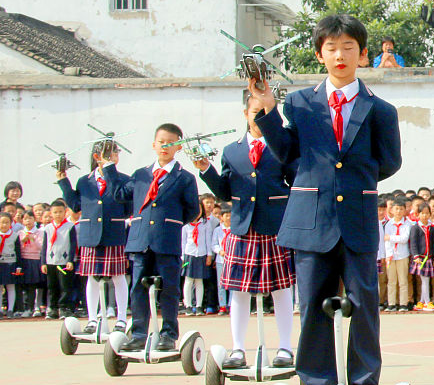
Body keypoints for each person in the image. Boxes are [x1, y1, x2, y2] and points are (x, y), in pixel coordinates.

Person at [250, 13, 403, 385]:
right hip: (310, 220)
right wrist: (266, 113)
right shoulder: (299, 103)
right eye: (332, 48)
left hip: (357, 219)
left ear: (363, 54)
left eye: (348, 47)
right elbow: (287, 153)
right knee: (314, 302)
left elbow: (389, 162)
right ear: (320, 54)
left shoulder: (380, 109)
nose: (340, 55)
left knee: (364, 303)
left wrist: (351, 180)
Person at [196, 92, 298, 370]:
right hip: (242, 228)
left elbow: (296, 180)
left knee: (281, 289)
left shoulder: (282, 147)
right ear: (245, 114)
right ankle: (238, 348)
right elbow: (225, 191)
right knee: (238, 291)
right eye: (256, 113)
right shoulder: (232, 150)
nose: (260, 119)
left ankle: (286, 348)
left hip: (275, 226)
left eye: (266, 113)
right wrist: (206, 169)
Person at [109, 123, 202, 353]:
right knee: (138, 287)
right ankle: (139, 333)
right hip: (140, 241)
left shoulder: (185, 178)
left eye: (171, 142)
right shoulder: (141, 175)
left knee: (169, 288)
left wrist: (172, 222)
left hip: (167, 240)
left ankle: (168, 334)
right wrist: (110, 168)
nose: (165, 146)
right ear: (153, 144)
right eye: (161, 142)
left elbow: (192, 209)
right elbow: (120, 194)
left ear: (178, 146)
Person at [58, 138, 132, 333]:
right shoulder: (84, 181)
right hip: (90, 236)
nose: (115, 157)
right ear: (97, 157)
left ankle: (122, 318)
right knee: (91, 277)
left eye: (116, 153)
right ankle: (92, 319)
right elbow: (75, 206)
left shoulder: (123, 179)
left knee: (118, 276)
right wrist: (62, 180)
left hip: (113, 233)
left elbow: (129, 208)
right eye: (110, 153)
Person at [40, 199, 76, 318]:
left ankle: (63, 307)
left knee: (65, 286)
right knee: (52, 285)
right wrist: (43, 262)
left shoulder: (69, 226)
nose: (57, 214)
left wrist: (70, 260)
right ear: (51, 213)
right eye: (55, 212)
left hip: (64, 261)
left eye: (60, 212)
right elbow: (45, 246)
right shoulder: (48, 228)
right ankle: (53, 308)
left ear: (65, 212)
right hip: (51, 261)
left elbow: (73, 244)